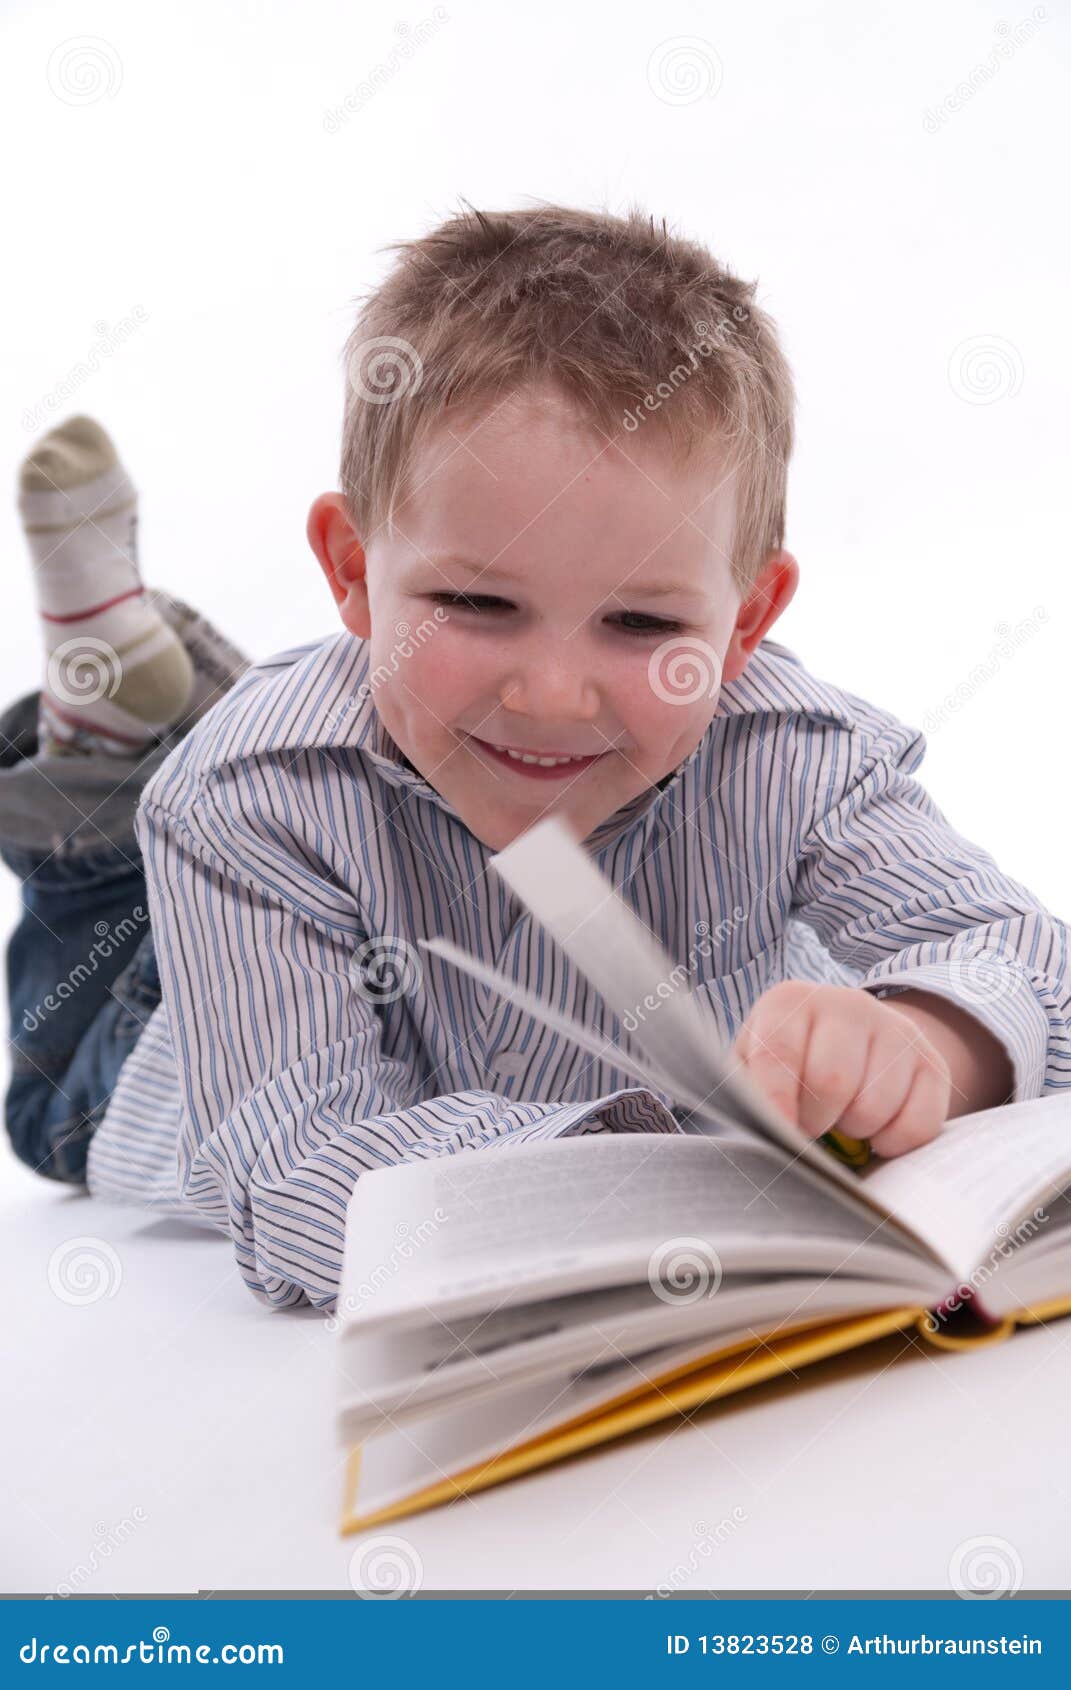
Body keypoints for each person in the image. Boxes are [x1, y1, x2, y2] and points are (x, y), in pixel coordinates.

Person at [3, 201, 1067, 1313]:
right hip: (165, 1034)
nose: (553, 697)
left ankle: (152, 694)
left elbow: (1030, 960)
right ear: (353, 570)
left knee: (324, 725)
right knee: (56, 1095)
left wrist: (930, 1042)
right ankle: (106, 746)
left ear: (746, 622)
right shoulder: (245, 802)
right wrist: (659, 1155)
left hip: (359, 786)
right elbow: (297, 1187)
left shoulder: (794, 749)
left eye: (644, 626)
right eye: (477, 602)